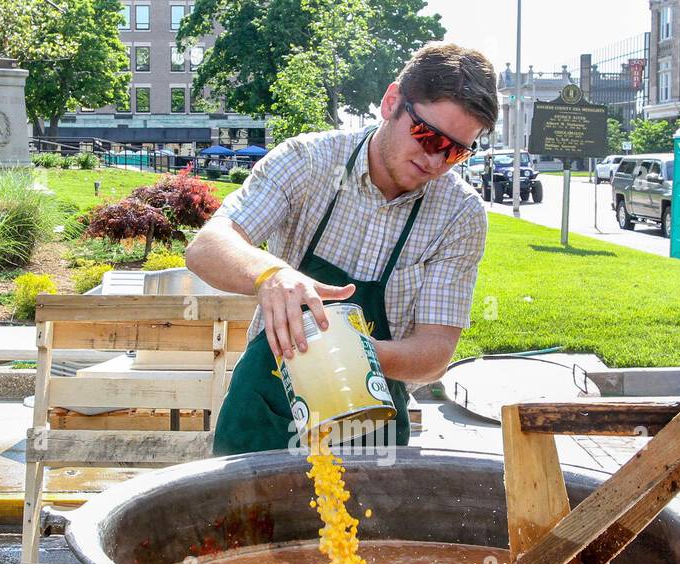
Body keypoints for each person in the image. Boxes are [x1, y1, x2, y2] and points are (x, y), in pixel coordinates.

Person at [185, 42, 497, 455]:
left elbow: (436, 352)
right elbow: (208, 245)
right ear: (391, 103)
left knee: (359, 522)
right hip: (267, 408)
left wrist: (349, 355)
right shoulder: (309, 161)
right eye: (428, 136)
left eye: (455, 151)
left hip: (372, 423)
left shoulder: (460, 215)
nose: (436, 160)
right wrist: (270, 276)